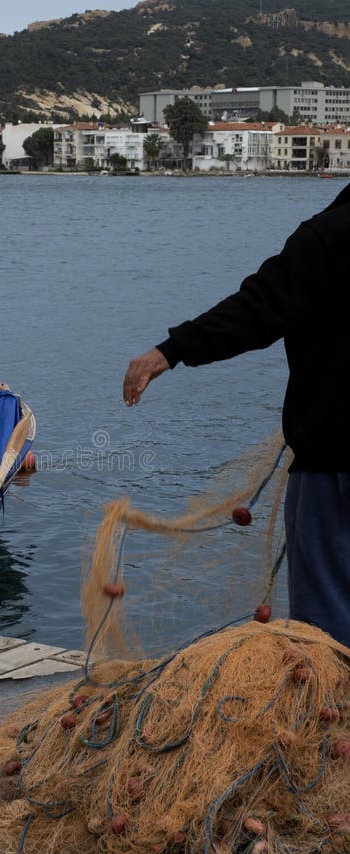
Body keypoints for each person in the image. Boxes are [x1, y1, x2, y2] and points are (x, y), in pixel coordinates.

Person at [122, 181, 350, 649]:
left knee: (326, 636)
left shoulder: (332, 234)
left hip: (334, 466)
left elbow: (259, 309)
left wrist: (172, 350)